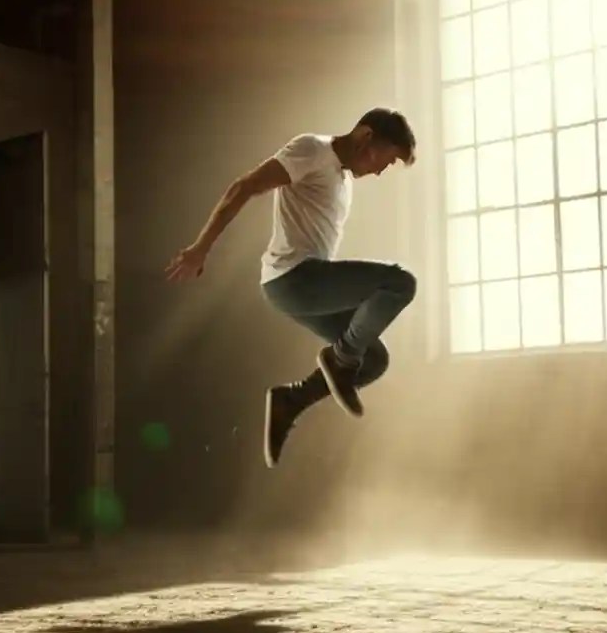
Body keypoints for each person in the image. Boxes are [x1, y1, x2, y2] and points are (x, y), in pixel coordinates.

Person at [165, 108, 419, 468]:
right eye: (385, 160)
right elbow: (244, 187)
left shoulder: (343, 181)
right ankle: (340, 359)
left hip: (305, 290)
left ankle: (291, 400)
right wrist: (200, 249)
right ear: (365, 135)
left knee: (375, 360)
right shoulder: (312, 150)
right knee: (400, 282)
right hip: (295, 279)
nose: (380, 172)